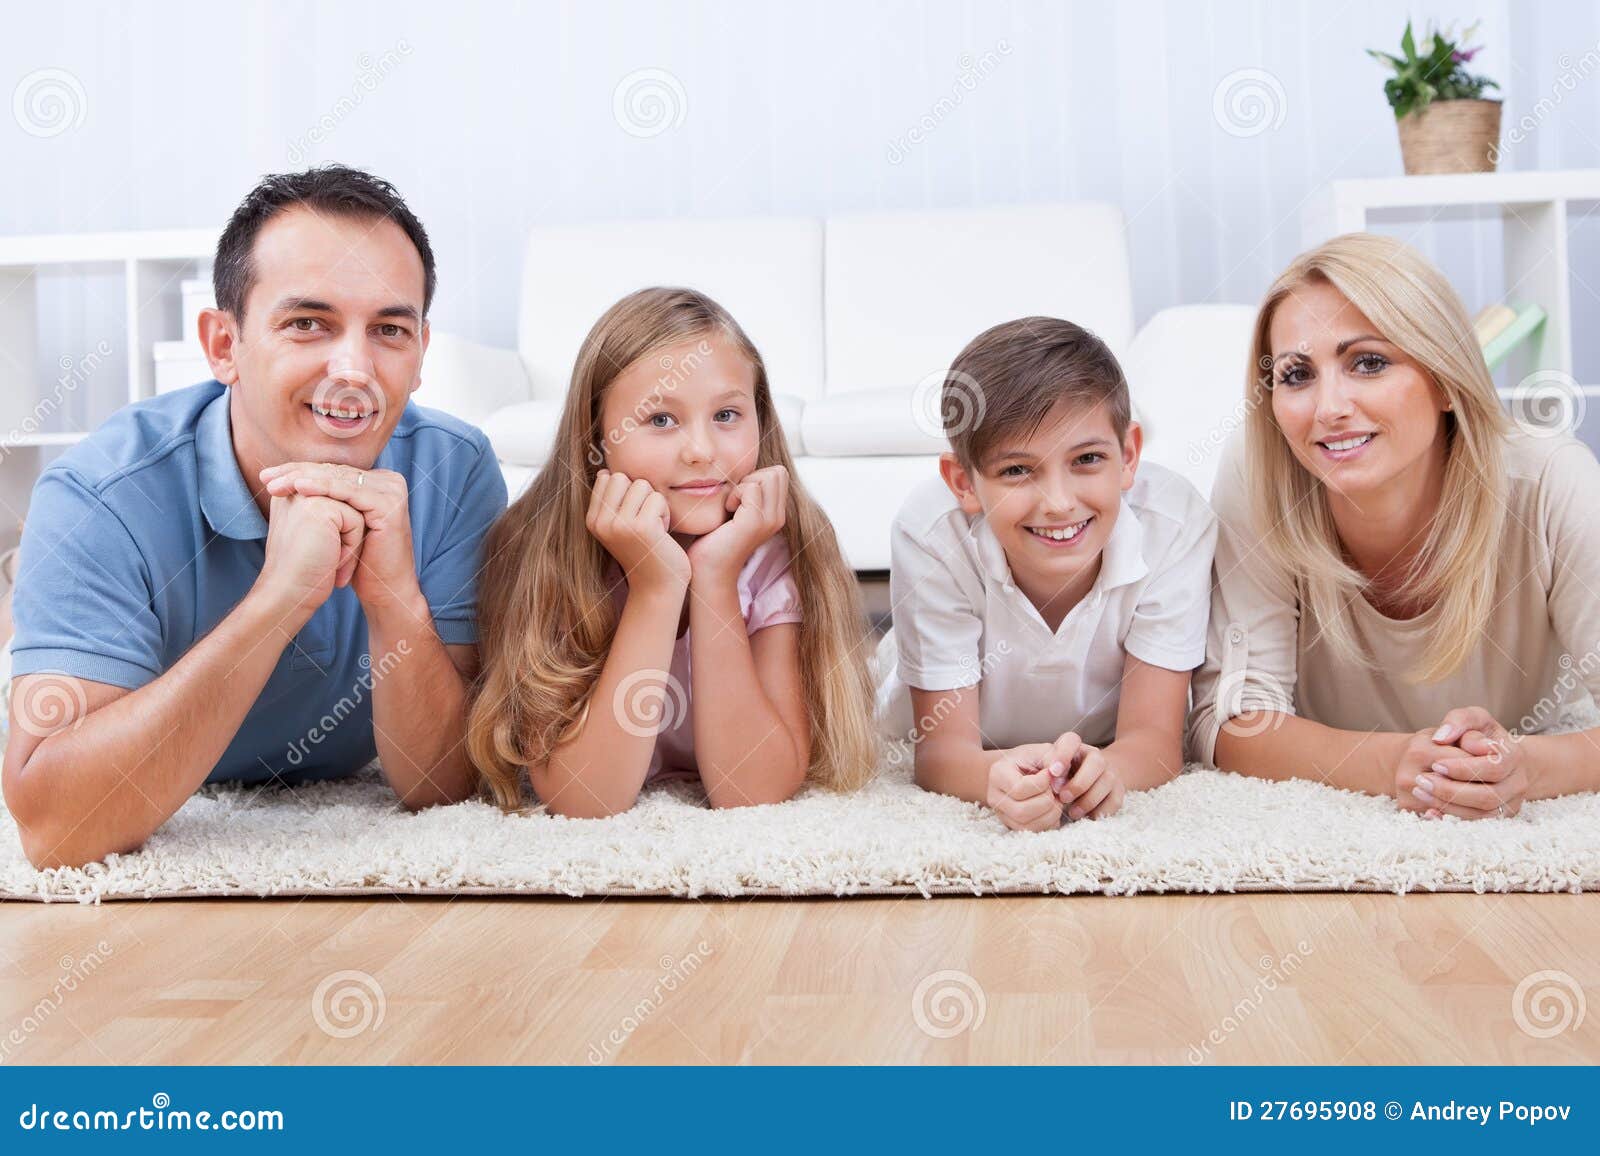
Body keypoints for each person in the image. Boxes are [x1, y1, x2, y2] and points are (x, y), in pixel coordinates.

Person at [2, 166, 506, 868]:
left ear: (421, 353)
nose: (354, 368)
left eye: (389, 329)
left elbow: (442, 785)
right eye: (308, 323)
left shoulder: (454, 470)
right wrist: (277, 600)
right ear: (222, 346)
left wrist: (396, 602)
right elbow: (57, 829)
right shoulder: (98, 495)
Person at [1188, 232, 1600, 819]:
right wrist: (1393, 763)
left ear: (1445, 381)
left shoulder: (1554, 483)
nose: (1329, 407)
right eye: (1297, 375)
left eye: (1370, 363)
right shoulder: (1260, 473)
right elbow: (1232, 724)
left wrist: (1527, 767)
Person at [466, 287, 877, 817]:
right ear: (596, 439)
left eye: (727, 415)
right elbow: (585, 800)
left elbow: (751, 792)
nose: (702, 451)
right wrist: (656, 588)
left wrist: (715, 576)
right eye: (661, 420)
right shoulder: (546, 550)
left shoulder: (774, 550)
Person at [877, 318, 1216, 831]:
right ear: (963, 483)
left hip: (1098, 738)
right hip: (951, 727)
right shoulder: (930, 534)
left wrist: (1107, 773)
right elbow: (944, 755)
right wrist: (994, 778)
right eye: (1017, 470)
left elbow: (1155, 741)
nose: (1058, 504)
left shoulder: (1174, 524)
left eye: (1087, 459)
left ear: (1128, 457)